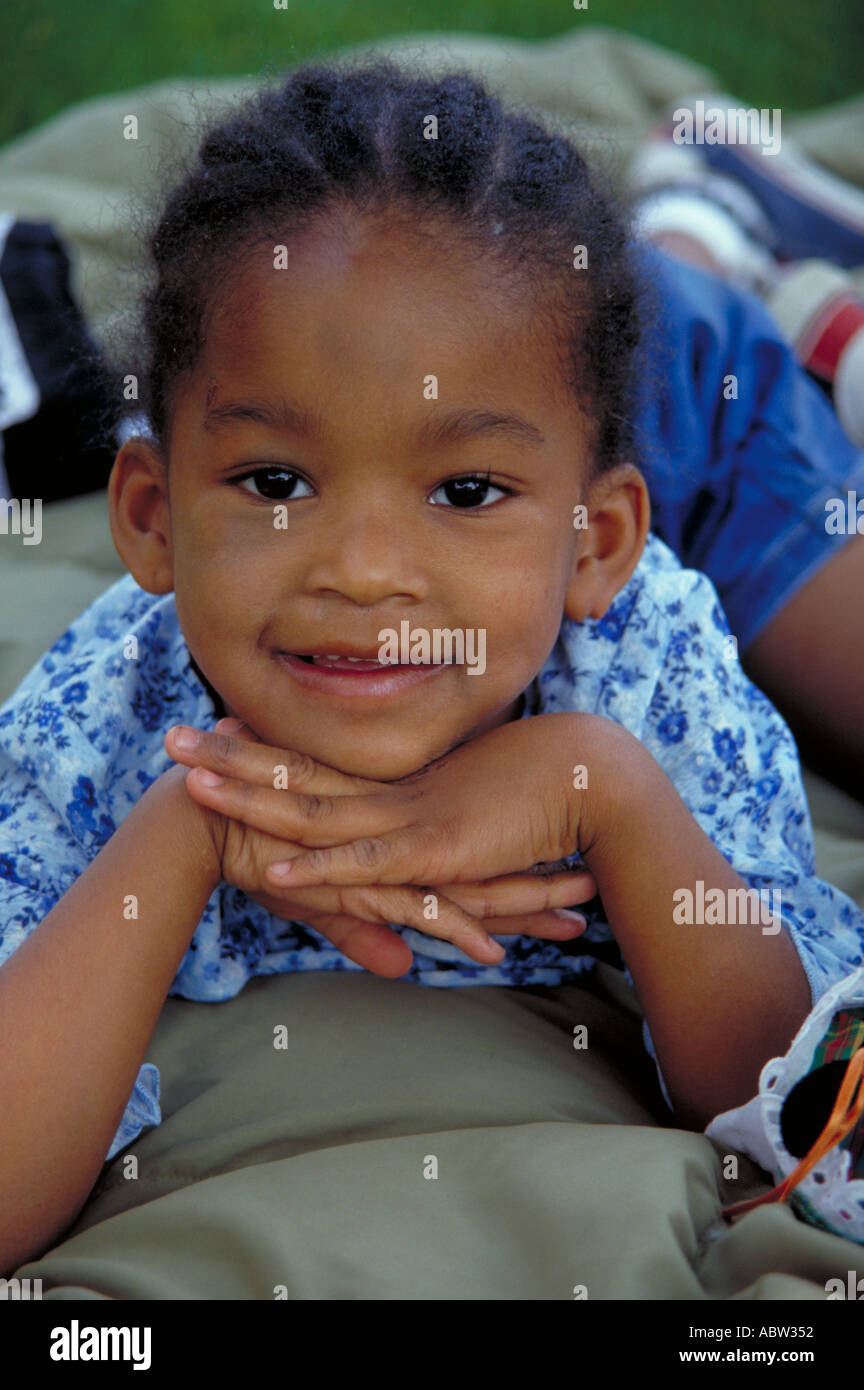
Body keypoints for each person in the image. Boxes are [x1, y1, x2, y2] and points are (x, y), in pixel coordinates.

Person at [1, 55, 863, 1276]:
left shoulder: (650, 666)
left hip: (700, 408)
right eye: (274, 482)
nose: (361, 571)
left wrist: (604, 790)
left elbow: (808, 1111)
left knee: (718, 368)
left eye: (463, 492)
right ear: (146, 515)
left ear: (599, 542)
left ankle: (723, 252)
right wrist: (186, 829)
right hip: (565, 398)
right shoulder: (108, 718)